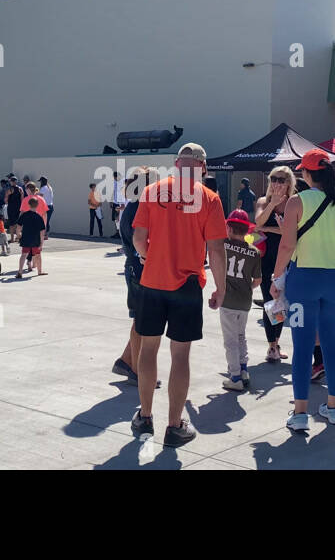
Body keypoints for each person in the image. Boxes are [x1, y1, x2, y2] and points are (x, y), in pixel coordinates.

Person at [130, 143, 227, 448]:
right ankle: (174, 426)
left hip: (153, 281)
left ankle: (145, 417)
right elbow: (215, 249)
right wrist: (220, 287)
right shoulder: (209, 199)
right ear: (203, 167)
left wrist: (150, 258)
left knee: (147, 350)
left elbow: (138, 239)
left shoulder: (152, 192)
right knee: (180, 354)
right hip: (186, 284)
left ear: (176, 163)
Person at [270, 149, 335, 429]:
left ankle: (299, 414)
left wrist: (276, 278)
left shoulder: (297, 201)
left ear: (308, 173)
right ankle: (334, 407)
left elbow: (287, 245)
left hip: (302, 283)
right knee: (332, 345)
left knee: (303, 346)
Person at [112, 167, 161, 388]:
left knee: (142, 319)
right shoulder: (137, 208)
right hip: (138, 269)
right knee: (142, 320)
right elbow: (139, 242)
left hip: (136, 268)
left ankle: (126, 361)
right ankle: (136, 370)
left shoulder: (135, 206)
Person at [216, 209, 263, 391]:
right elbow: (257, 280)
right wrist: (247, 288)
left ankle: (234, 376)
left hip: (227, 300)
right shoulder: (255, 252)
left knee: (230, 341)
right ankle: (244, 369)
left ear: (228, 228)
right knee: (241, 335)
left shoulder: (223, 245)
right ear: (247, 231)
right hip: (245, 301)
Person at [254, 166, 296, 363]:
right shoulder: (264, 201)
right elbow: (257, 223)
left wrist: (271, 229)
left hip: (290, 259)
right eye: (274, 179)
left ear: (289, 183)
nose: (277, 183)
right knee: (270, 302)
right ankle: (272, 346)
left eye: (281, 179)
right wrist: (273, 205)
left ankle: (277, 343)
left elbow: (293, 233)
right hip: (267, 260)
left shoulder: (295, 203)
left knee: (284, 304)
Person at [15, 198, 47, 278]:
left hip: (26, 238)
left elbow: (18, 226)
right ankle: (39, 271)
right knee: (38, 255)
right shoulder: (39, 217)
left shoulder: (24, 215)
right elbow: (42, 232)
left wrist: (18, 235)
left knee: (23, 255)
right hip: (36, 239)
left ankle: (20, 271)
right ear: (37, 205)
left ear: (29, 205)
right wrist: (41, 243)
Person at [6, 176, 24, 243]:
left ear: (11, 182)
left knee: (11, 223)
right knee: (17, 223)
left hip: (11, 208)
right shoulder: (20, 189)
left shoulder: (9, 189)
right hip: (18, 208)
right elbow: (22, 199)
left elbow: (6, 199)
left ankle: (12, 238)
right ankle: (18, 237)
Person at [110, 171, 127, 238]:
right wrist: (111, 201)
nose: (114, 179)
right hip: (115, 202)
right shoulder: (115, 182)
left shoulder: (123, 182)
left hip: (121, 203)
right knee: (115, 219)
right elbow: (113, 191)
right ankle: (117, 232)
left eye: (114, 177)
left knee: (119, 218)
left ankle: (121, 233)